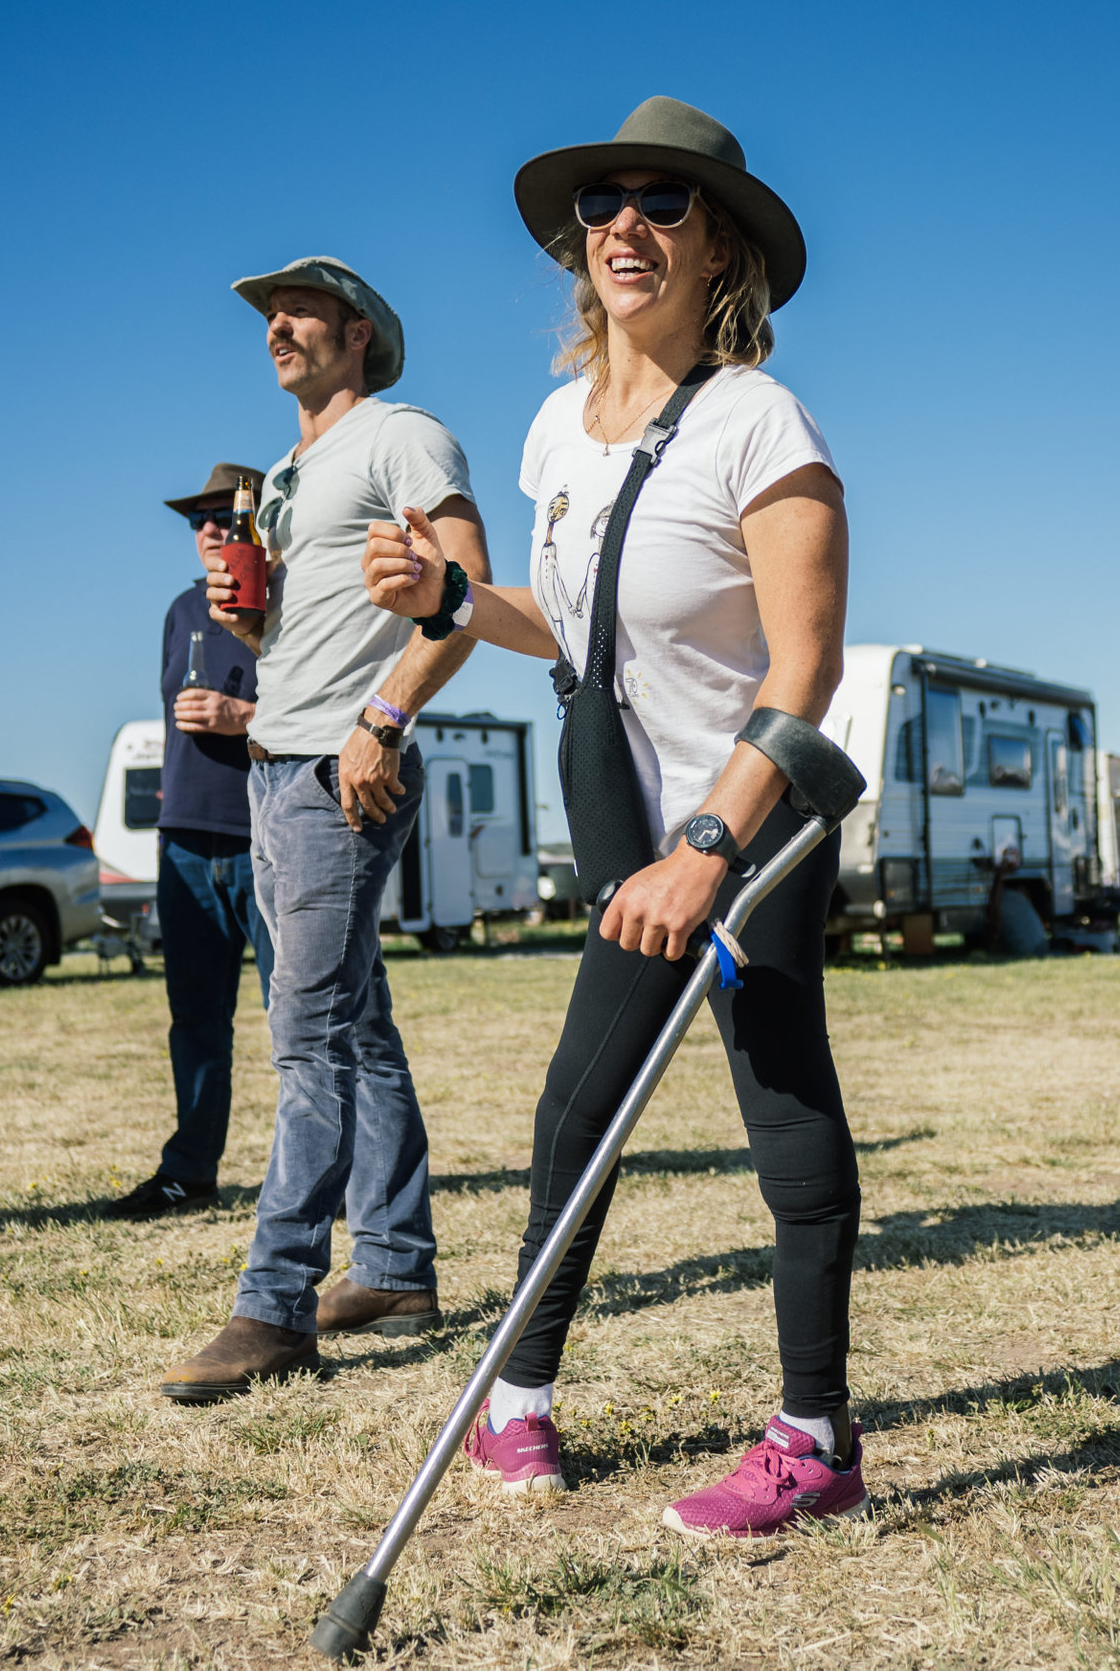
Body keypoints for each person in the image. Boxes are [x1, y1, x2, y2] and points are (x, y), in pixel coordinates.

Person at [362, 98, 860, 1536]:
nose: (624, 226)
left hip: (742, 818)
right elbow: (567, 625)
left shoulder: (761, 425)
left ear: (721, 251)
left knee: (780, 1102)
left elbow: (804, 664)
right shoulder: (552, 433)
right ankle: (514, 1402)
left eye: (663, 204)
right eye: (602, 206)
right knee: (575, 1109)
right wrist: (451, 602)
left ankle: (813, 1437)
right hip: (622, 820)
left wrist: (712, 844)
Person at [157, 258, 493, 1402]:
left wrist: (382, 720)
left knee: (304, 1037)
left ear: (358, 334)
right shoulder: (292, 474)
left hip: (333, 768)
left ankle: (276, 1301)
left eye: (297, 310)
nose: (275, 327)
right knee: (356, 1026)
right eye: (264, 314)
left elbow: (469, 595)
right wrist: (251, 615)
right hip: (274, 759)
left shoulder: (403, 435)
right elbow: (306, 627)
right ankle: (395, 1266)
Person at [107, 463, 275, 1219]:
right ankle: (189, 1174)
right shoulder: (180, 610)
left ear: (257, 523)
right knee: (194, 1021)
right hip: (183, 843)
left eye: (223, 516)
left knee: (301, 1022)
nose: (209, 530)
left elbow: (326, 709)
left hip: (267, 837)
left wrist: (242, 716)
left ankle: (325, 1180)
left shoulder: (285, 599)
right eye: (198, 520)